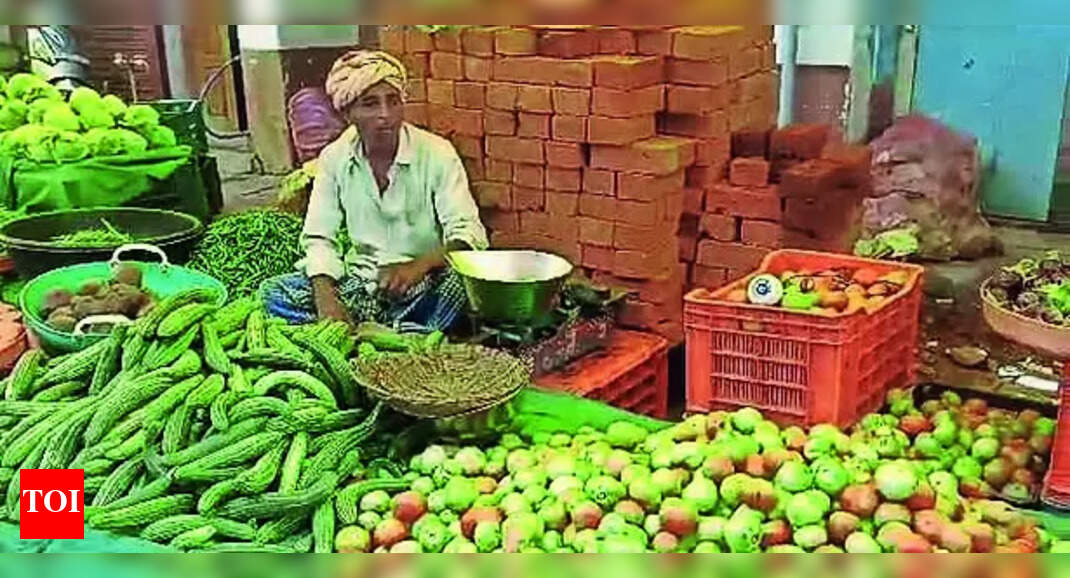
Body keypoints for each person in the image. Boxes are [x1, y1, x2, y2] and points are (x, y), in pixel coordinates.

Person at [263, 50, 488, 332]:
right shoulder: (335, 159)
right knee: (273, 291)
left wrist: (418, 266)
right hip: (362, 284)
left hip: (425, 283)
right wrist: (326, 300)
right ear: (347, 113)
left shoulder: (437, 153)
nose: (385, 115)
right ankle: (401, 331)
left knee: (462, 284)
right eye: (370, 104)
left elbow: (468, 233)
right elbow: (319, 238)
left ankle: (385, 333)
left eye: (393, 101)